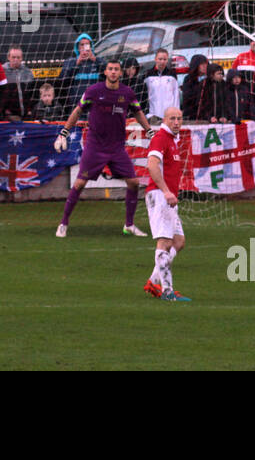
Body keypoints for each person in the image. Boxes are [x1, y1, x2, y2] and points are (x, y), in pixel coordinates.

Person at [54, 59, 153, 238]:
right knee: (79, 183)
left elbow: (137, 112)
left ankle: (129, 225)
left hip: (117, 148)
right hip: (95, 146)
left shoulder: (127, 93)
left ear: (121, 73)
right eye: (110, 69)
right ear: (105, 72)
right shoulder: (94, 91)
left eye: (116, 69)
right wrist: (64, 132)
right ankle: (63, 223)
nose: (113, 72)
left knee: (134, 182)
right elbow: (77, 111)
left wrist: (150, 131)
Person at [143, 107, 190, 302]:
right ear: (164, 119)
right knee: (164, 242)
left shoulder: (172, 140)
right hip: (160, 196)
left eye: (179, 118)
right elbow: (152, 165)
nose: (177, 122)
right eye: (173, 118)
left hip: (168, 198)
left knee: (178, 242)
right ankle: (167, 291)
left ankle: (153, 281)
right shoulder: (161, 138)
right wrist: (165, 191)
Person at [57, 33, 102, 111]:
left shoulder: (98, 61)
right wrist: (76, 64)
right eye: (82, 45)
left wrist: (95, 60)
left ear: (91, 47)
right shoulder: (70, 61)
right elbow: (62, 81)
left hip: (96, 104)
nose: (84, 47)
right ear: (77, 47)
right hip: (77, 106)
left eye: (87, 44)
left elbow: (108, 76)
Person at [0, 45, 35, 120]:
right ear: (8, 57)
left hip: (26, 114)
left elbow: (32, 93)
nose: (16, 60)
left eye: (18, 57)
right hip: (8, 115)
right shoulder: (2, 71)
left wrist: (30, 109)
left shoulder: (27, 72)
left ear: (22, 58)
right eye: (13, 57)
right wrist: (4, 111)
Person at [142, 48, 180, 120]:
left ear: (167, 60)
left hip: (169, 114)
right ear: (155, 59)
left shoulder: (172, 74)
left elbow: (176, 95)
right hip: (153, 114)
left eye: (165, 59)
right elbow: (144, 96)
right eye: (160, 59)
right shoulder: (147, 75)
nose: (162, 61)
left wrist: (176, 112)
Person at [179, 54, 210, 121]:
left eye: (206, 64)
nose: (205, 66)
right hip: (192, 114)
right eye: (202, 64)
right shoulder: (188, 79)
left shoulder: (209, 79)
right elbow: (188, 97)